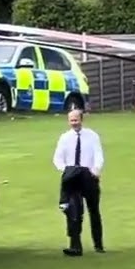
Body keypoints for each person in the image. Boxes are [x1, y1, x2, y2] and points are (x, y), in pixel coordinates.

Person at [52, 108, 105, 256]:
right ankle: (75, 245)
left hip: (88, 176)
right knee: (74, 212)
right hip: (72, 178)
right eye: (71, 120)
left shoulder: (92, 136)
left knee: (94, 211)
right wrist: (66, 170)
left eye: (76, 120)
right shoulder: (64, 138)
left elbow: (98, 155)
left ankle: (98, 244)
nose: (74, 123)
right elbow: (57, 158)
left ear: (82, 119)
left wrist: (95, 170)